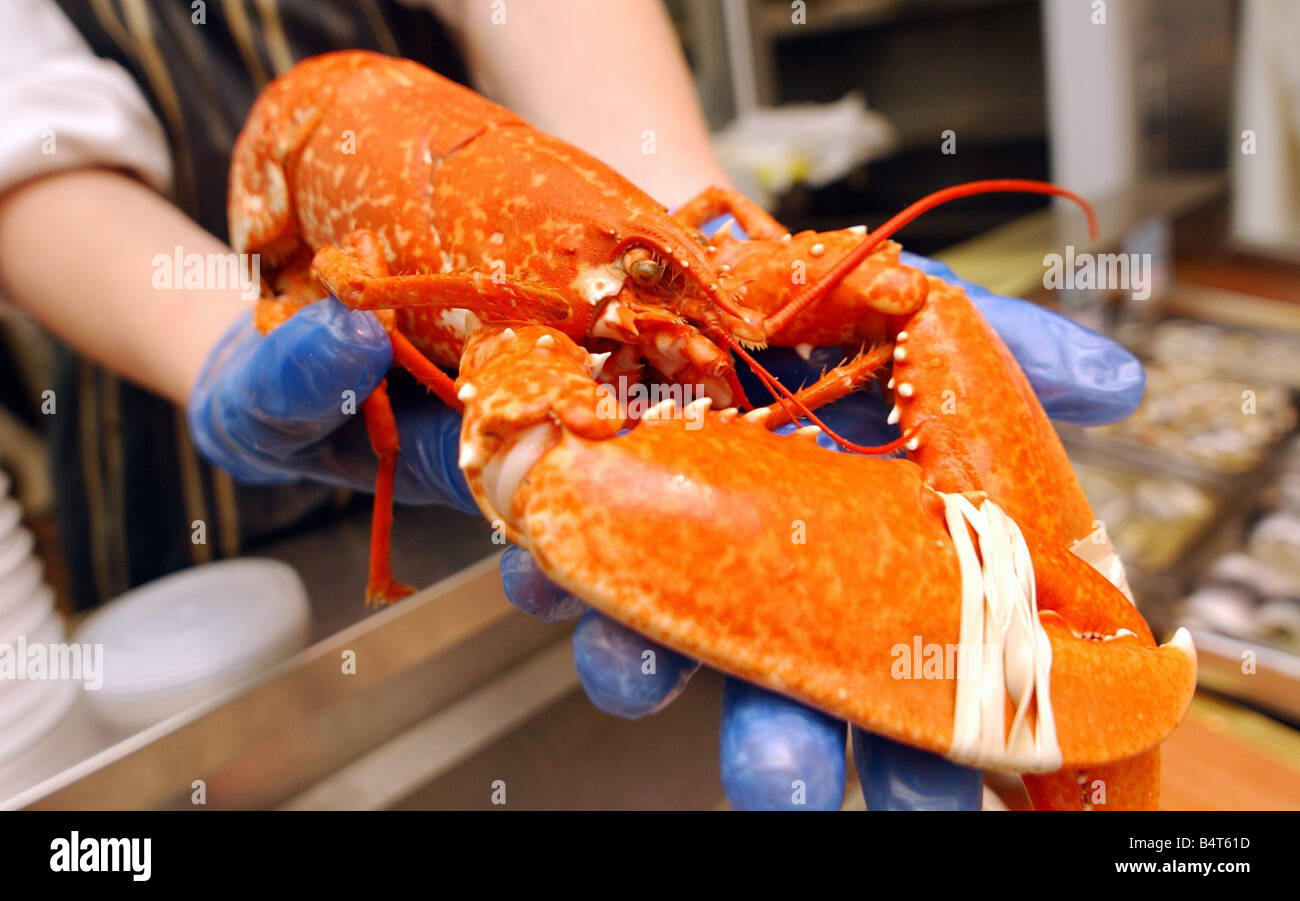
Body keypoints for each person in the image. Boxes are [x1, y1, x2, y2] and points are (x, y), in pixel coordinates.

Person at [0, 0, 1144, 810]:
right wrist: (205, 331)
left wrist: (687, 247)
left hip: (487, 240)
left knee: (863, 298)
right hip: (159, 396)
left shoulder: (630, 262)